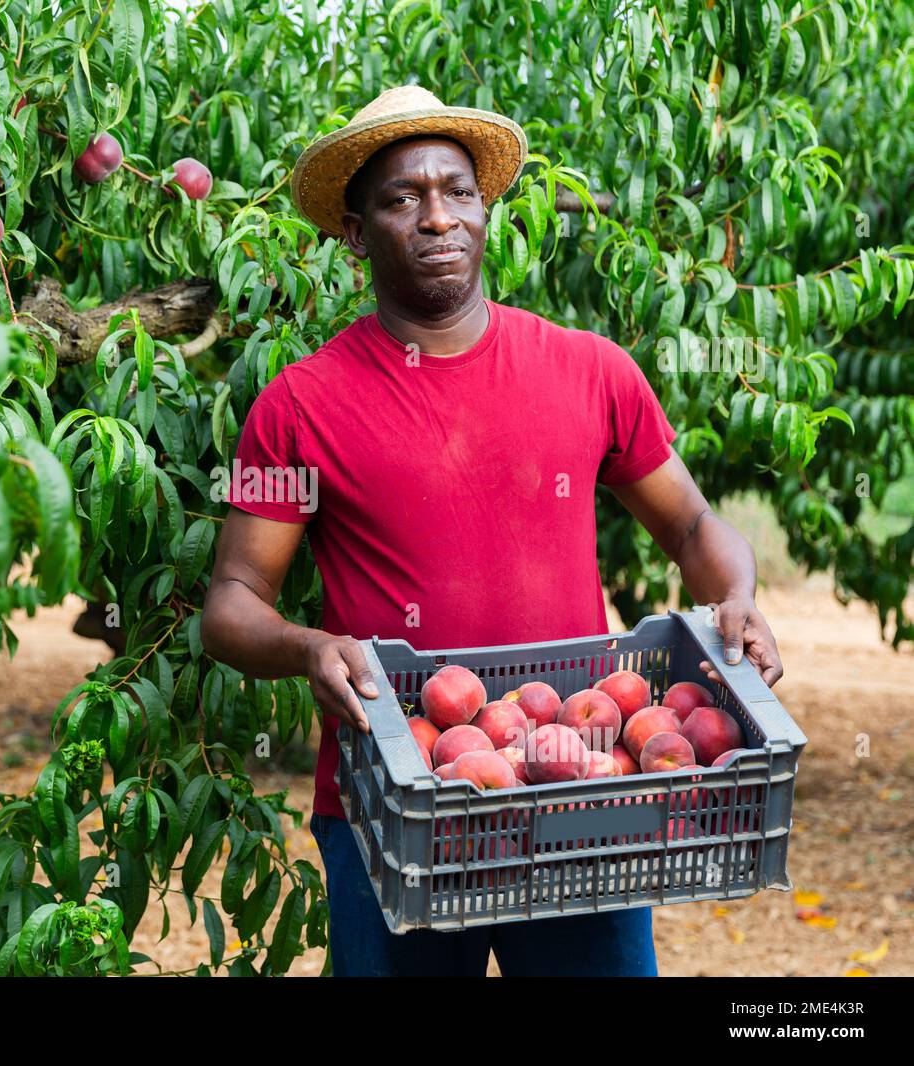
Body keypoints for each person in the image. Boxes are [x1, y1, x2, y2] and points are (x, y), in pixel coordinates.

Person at [200, 85, 784, 977]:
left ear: (486, 208)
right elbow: (234, 603)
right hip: (397, 805)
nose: (438, 218)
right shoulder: (299, 407)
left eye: (458, 192)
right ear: (355, 232)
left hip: (579, 792)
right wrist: (311, 647)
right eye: (402, 199)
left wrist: (735, 598)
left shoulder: (590, 371)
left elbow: (695, 522)